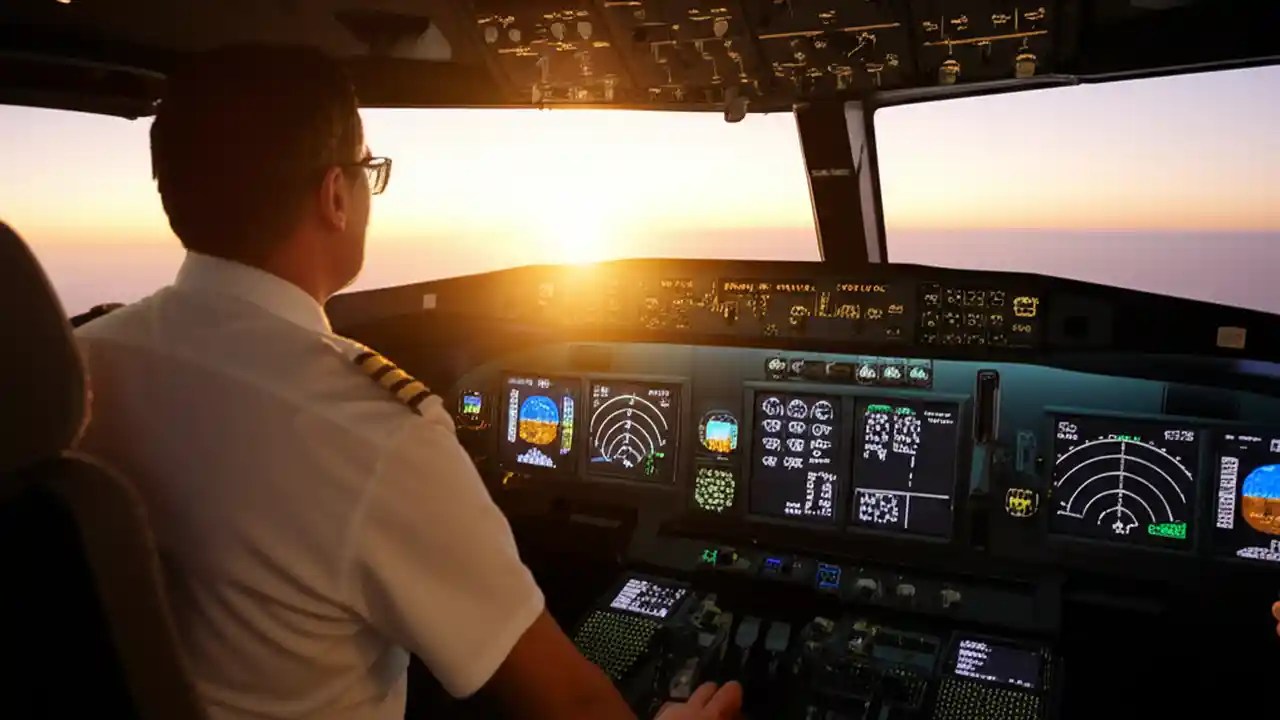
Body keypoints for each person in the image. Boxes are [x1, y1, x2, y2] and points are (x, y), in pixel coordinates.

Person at [74, 45, 742, 720]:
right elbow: (567, 699)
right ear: (336, 195)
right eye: (368, 171)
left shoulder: (74, 364)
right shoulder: (375, 434)